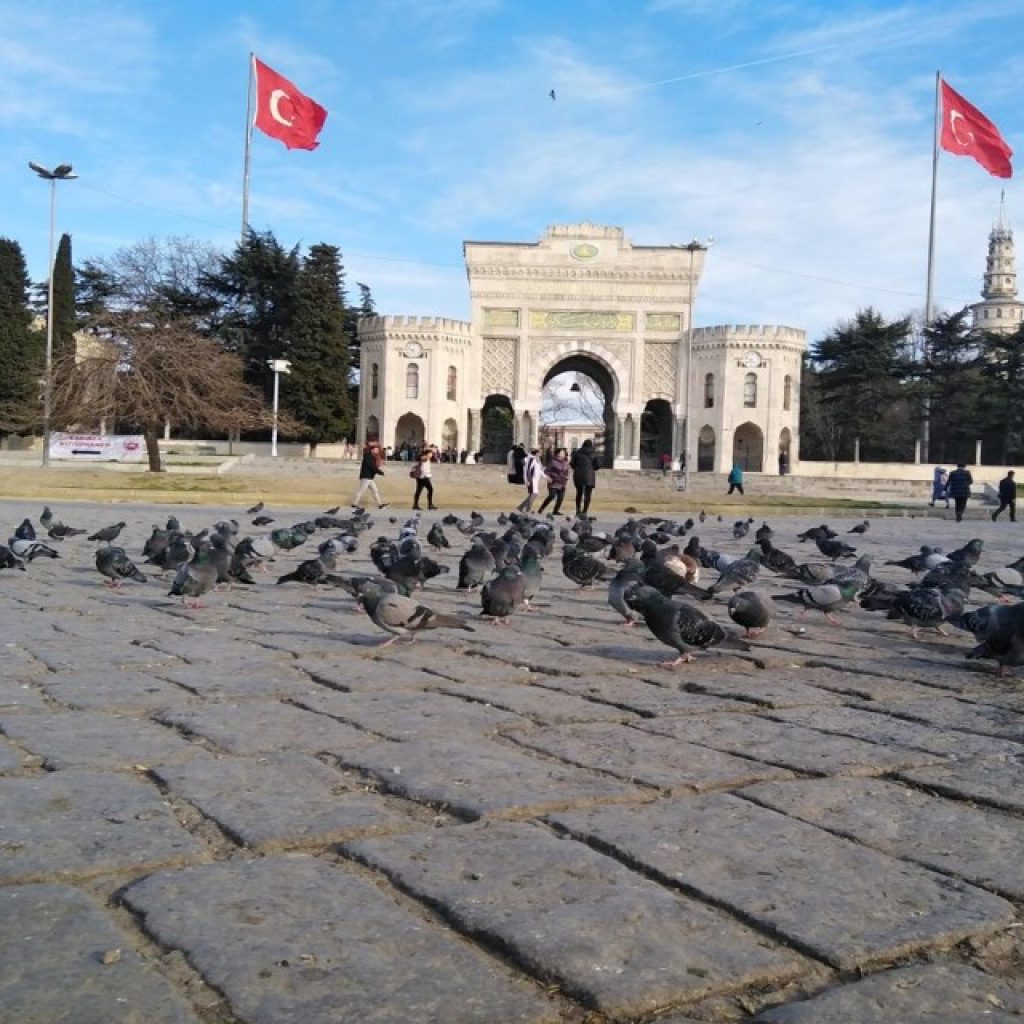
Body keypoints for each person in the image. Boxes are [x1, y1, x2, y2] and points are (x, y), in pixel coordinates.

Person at [352, 443, 389, 510]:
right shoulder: (368, 456)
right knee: (361, 491)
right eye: (376, 450)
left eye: (377, 450)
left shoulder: (372, 457)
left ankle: (380, 505)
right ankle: (354, 504)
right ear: (372, 450)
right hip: (366, 477)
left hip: (370, 477)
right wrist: (381, 472)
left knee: (375, 491)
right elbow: (372, 467)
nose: (377, 451)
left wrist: (379, 471)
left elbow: (373, 467)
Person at [570, 439, 600, 517]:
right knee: (588, 494)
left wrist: (577, 468)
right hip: (589, 475)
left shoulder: (577, 453)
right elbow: (597, 466)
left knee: (579, 493)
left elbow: (571, 464)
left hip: (578, 474)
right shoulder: (594, 453)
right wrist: (591, 468)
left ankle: (578, 510)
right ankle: (584, 511)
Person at [537, 447, 570, 516]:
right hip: (553, 482)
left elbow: (566, 471)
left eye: (563, 453)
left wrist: (566, 477)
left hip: (562, 482)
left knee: (560, 498)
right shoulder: (552, 461)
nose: (562, 454)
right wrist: (548, 477)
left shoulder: (566, 462)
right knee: (551, 496)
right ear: (557, 453)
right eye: (561, 453)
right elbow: (546, 471)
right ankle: (541, 509)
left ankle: (555, 511)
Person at [517, 448, 544, 513]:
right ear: (537, 453)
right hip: (531, 479)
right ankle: (528, 509)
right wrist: (527, 480)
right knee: (534, 494)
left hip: (536, 480)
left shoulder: (537, 460)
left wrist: (545, 477)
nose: (541, 453)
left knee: (532, 494)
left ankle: (521, 507)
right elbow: (527, 471)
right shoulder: (531, 459)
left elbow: (540, 470)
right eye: (540, 452)